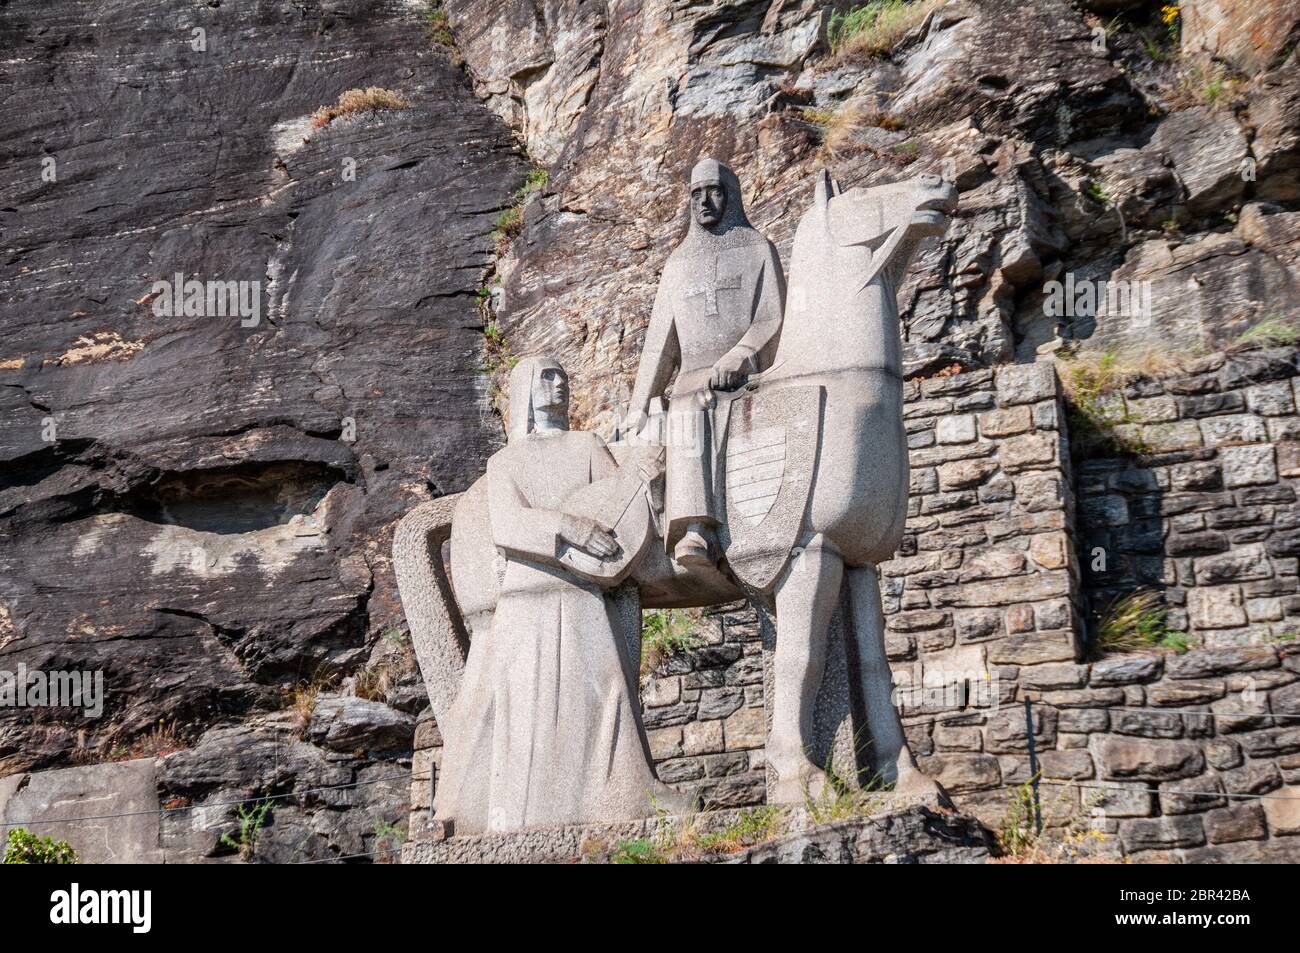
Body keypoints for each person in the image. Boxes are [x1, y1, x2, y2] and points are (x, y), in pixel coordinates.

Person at [432, 356, 672, 832]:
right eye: (546, 376)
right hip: (526, 597)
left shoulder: (588, 446)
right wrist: (569, 528)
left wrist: (653, 486)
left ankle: (625, 795)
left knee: (604, 692)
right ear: (524, 390)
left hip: (584, 593)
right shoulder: (503, 462)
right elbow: (508, 525)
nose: (558, 383)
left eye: (562, 375)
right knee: (524, 707)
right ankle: (510, 813)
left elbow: (622, 512)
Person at [626, 158, 785, 567]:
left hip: (746, 375)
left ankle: (716, 523)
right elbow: (661, 345)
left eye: (714, 191)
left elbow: (772, 317)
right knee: (686, 403)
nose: (704, 201)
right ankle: (693, 528)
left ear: (731, 196)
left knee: (694, 403)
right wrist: (639, 404)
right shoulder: (678, 264)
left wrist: (739, 356)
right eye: (696, 194)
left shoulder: (757, 249)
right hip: (693, 379)